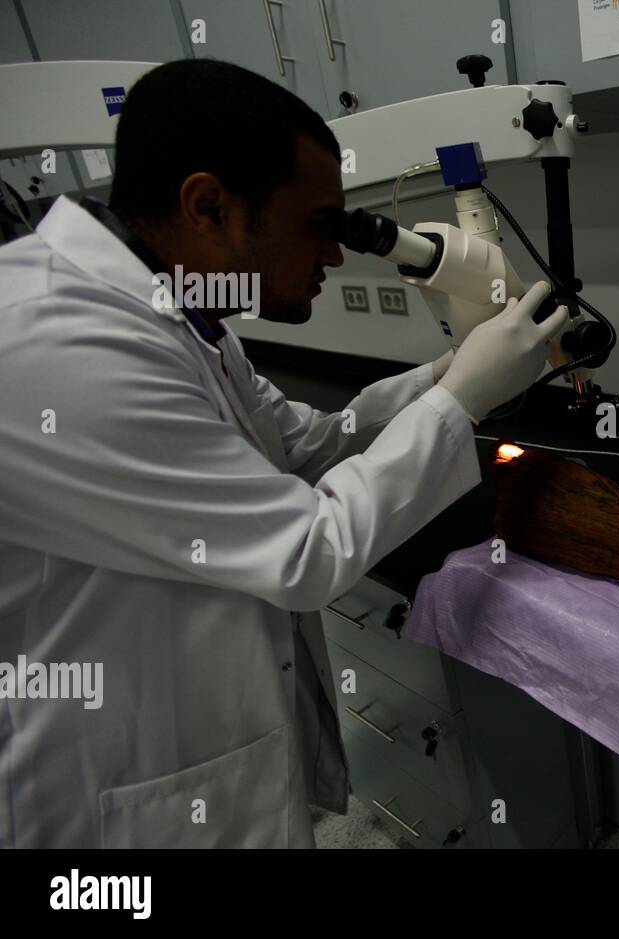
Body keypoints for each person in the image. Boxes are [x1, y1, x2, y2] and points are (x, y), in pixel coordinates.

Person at [0, 58, 565, 847]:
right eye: (320, 225)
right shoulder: (56, 340)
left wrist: (451, 368)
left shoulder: (175, 309)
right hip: (112, 811)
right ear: (209, 206)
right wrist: (461, 399)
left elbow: (309, 446)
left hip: (198, 759)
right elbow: (306, 550)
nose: (336, 256)